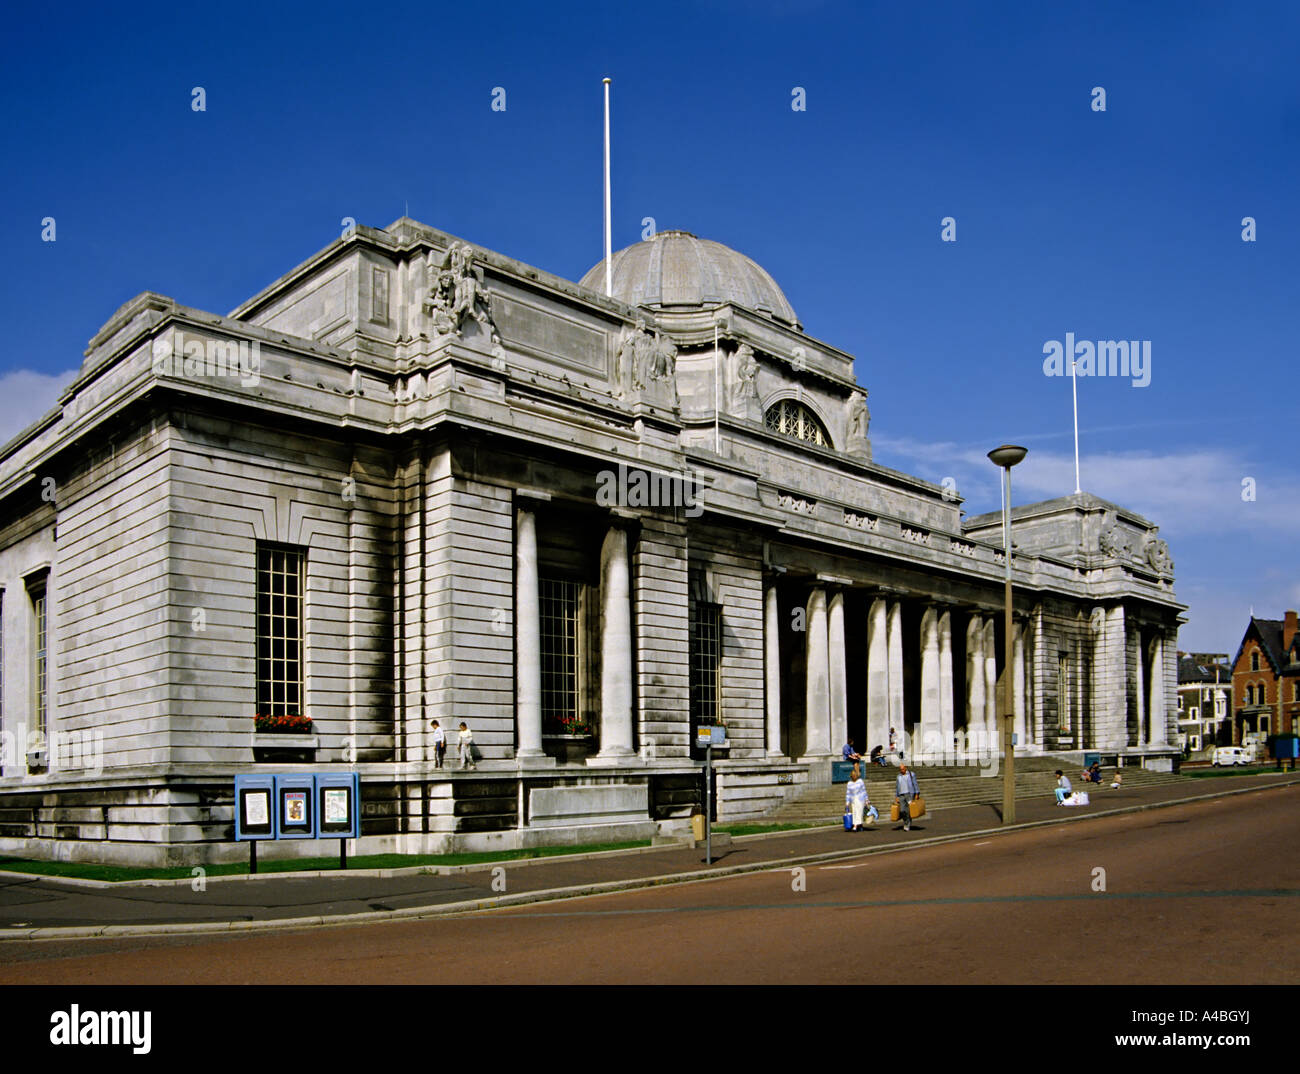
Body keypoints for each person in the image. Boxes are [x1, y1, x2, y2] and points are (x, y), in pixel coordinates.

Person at [895, 763, 919, 831]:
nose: (901, 770)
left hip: (909, 794)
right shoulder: (898, 776)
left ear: (905, 768)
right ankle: (907, 821)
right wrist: (896, 796)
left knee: (908, 810)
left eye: (902, 769)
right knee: (902, 810)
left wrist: (917, 793)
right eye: (900, 769)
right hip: (901, 795)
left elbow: (915, 783)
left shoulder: (911, 774)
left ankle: (907, 824)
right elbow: (897, 787)